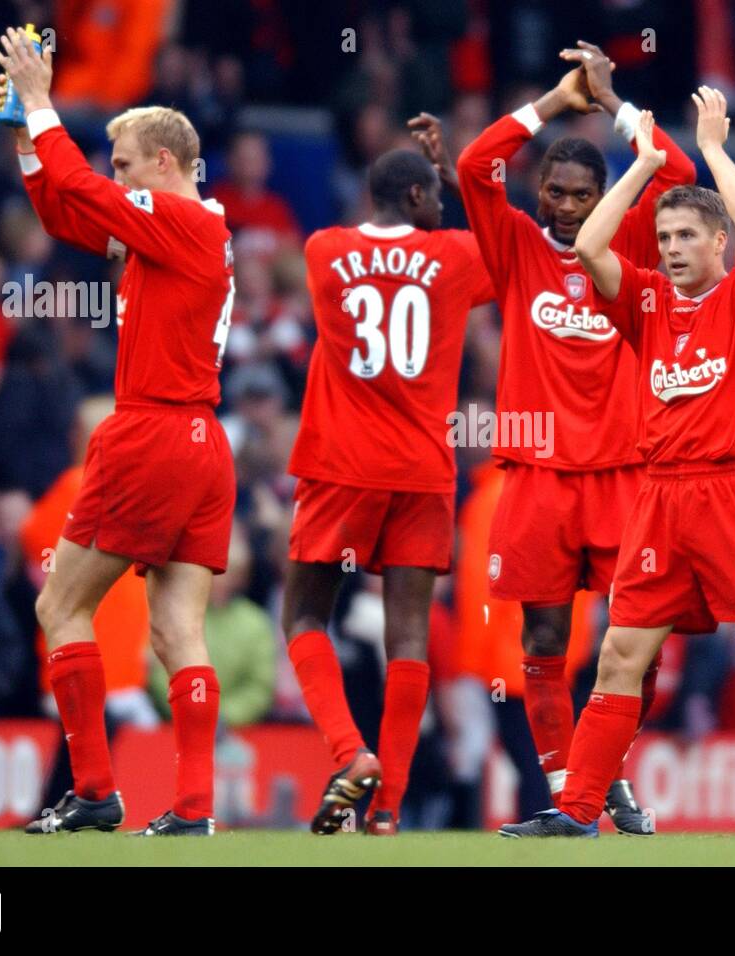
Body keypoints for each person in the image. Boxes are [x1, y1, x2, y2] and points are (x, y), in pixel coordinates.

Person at [502, 88, 735, 839]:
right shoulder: (644, 302)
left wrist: (713, 150)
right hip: (660, 500)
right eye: (663, 236)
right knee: (619, 656)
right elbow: (591, 248)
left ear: (716, 246)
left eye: (682, 236)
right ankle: (577, 813)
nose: (668, 247)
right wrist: (639, 170)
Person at [0, 27, 235, 836]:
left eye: (125, 162)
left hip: (151, 436)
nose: (115, 175)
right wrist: (29, 141)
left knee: (60, 609)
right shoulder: (179, 236)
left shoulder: (184, 224)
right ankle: (195, 809)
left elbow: (89, 195)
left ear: (164, 164)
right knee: (177, 631)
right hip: (203, 446)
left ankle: (94, 790)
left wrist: (40, 99)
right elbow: (70, 212)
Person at [453, 42, 696, 833]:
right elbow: (471, 166)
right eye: (554, 191)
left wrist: (613, 99)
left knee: (637, 646)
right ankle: (572, 796)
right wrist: (555, 103)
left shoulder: (625, 248)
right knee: (546, 640)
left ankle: (603, 776)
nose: (564, 206)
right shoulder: (514, 245)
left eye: (581, 194)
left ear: (605, 197)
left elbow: (680, 176)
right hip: (535, 476)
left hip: (625, 474)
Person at [281, 145, 492, 835]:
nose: (440, 208)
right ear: (413, 197)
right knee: (408, 641)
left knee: (306, 617)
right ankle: (389, 808)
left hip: (341, 465)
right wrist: (462, 173)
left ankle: (350, 754)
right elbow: (504, 244)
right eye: (433, 196)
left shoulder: (322, 249)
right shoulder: (456, 254)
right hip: (424, 471)